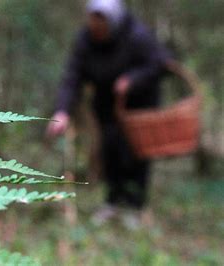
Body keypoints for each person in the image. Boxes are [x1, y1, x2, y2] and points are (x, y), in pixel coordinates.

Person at [46, 0, 170, 229]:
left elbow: (160, 64)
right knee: (110, 150)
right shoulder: (85, 40)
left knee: (137, 154)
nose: (96, 28)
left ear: (112, 22)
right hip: (107, 105)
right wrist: (62, 111)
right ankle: (113, 200)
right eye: (93, 22)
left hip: (140, 106)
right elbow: (72, 77)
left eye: (101, 24)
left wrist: (132, 79)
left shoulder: (137, 35)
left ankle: (135, 205)